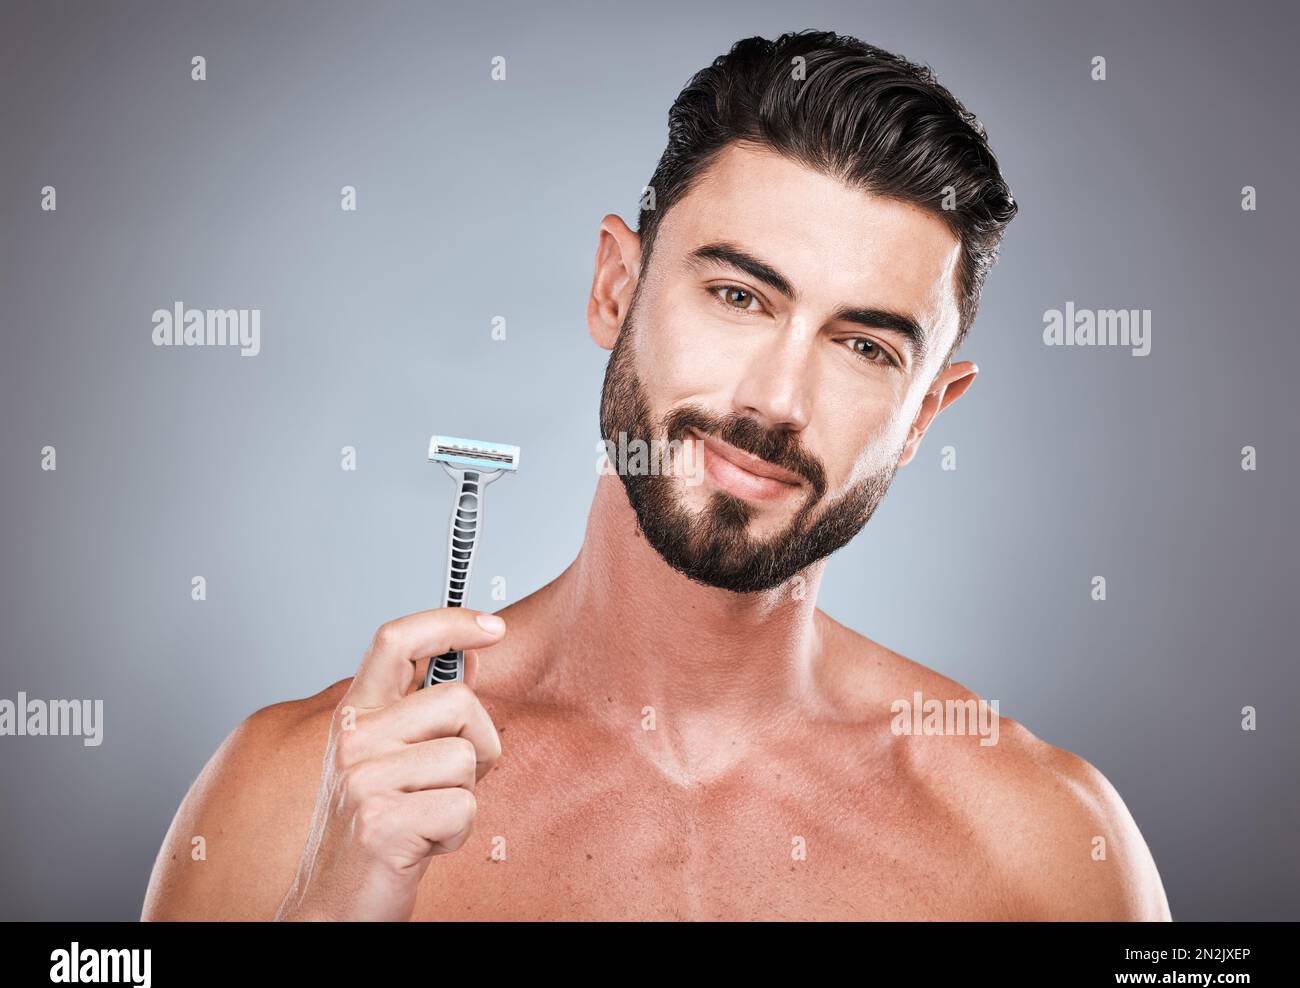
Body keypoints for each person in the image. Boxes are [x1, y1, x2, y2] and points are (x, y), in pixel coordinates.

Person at [142, 30, 1171, 921]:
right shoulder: (295, 797)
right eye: (737, 295)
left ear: (922, 417)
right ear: (615, 287)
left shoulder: (1045, 846)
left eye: (864, 348)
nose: (776, 399)